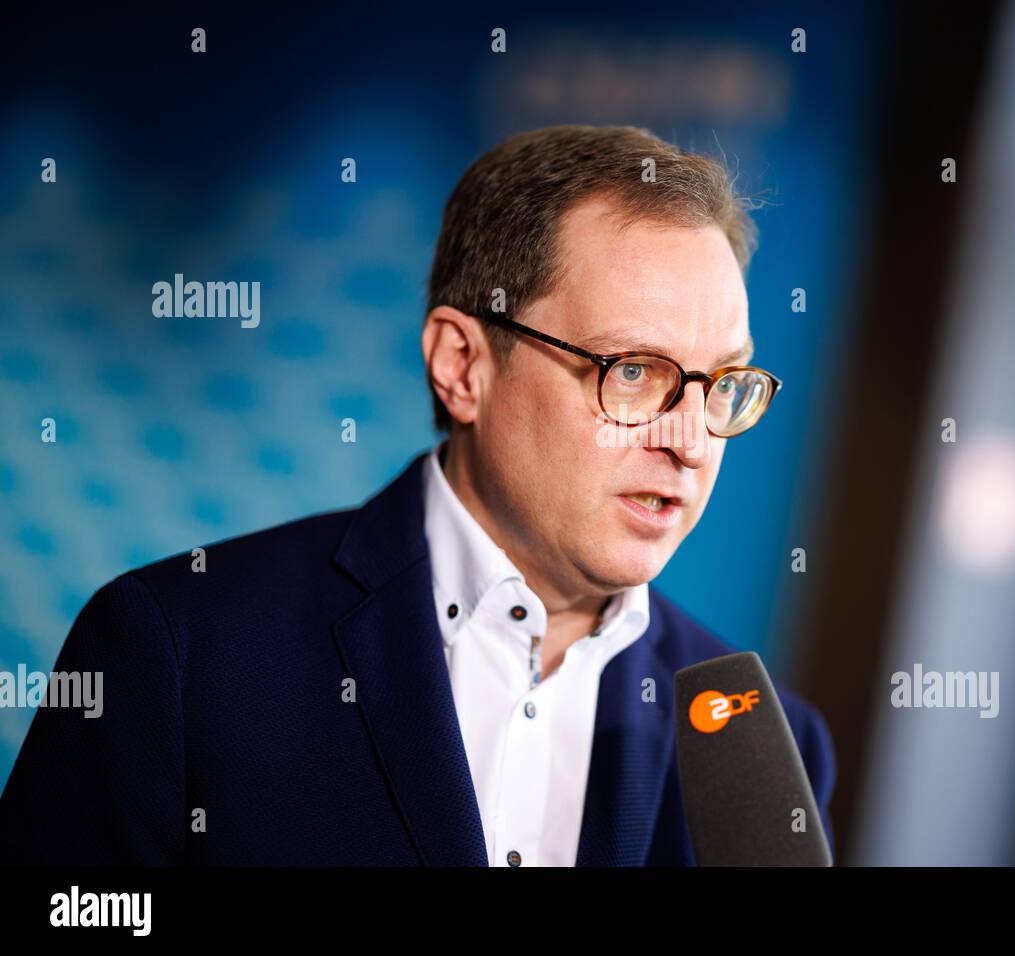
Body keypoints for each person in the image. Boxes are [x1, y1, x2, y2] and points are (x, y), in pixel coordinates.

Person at [0, 124, 836, 866]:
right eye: (635, 372)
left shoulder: (768, 746)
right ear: (462, 365)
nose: (689, 441)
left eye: (724, 384)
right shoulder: (181, 650)